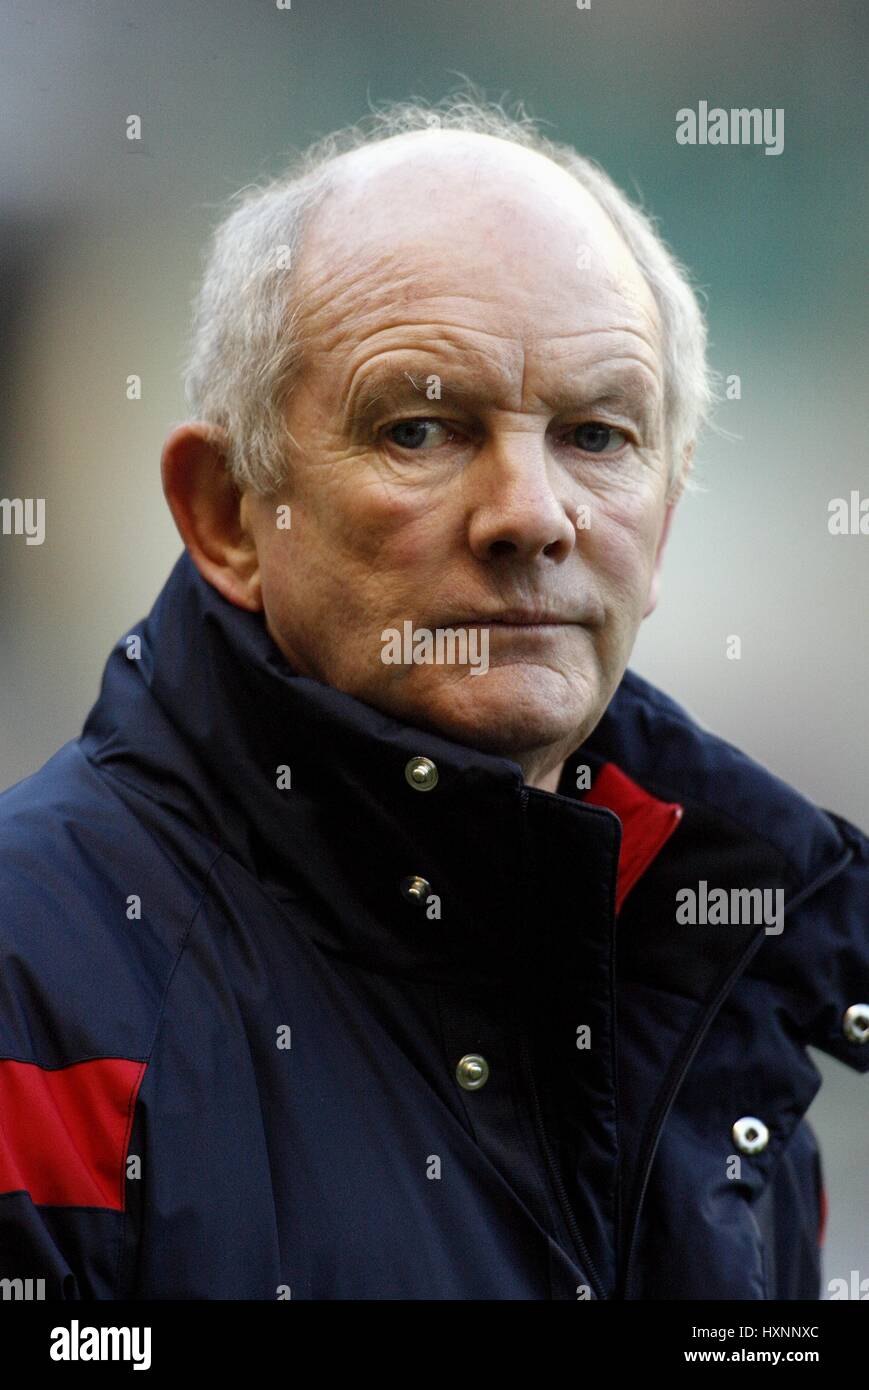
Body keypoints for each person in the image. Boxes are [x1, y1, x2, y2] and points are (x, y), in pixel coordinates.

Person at [0, 96, 866, 1300]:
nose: (531, 513)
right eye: (419, 428)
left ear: (660, 526)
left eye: (597, 435)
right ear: (226, 512)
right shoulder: (35, 985)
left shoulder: (719, 982)